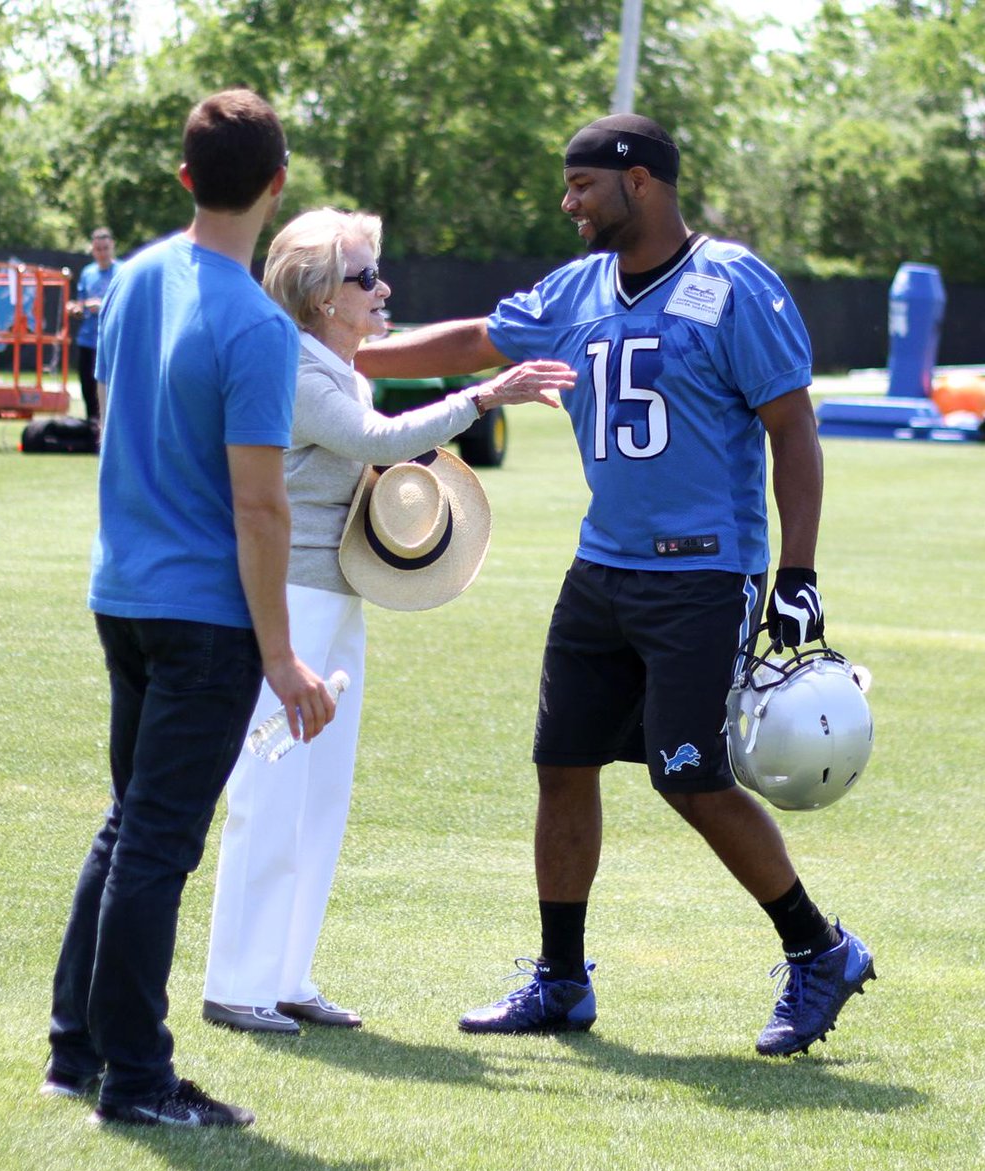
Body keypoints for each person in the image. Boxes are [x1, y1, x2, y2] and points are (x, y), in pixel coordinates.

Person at [355, 114, 875, 1057]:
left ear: (640, 182)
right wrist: (349, 356)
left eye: (582, 184)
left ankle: (821, 949)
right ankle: (561, 980)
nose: (569, 203)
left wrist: (797, 572)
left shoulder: (732, 282)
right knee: (562, 765)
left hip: (703, 574)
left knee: (692, 777)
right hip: (602, 569)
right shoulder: (580, 286)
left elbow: (793, 430)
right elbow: (477, 338)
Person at [40, 89, 337, 1129]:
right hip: (202, 618)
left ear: (184, 178)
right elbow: (260, 506)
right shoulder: (257, 326)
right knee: (158, 845)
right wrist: (283, 658)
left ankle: (75, 1053)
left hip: (121, 593)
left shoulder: (129, 280)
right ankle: (136, 1081)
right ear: (277, 185)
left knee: (129, 828)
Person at [203, 207, 575, 1034]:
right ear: (320, 296)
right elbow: (376, 440)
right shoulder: (296, 367)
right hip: (289, 603)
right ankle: (235, 983)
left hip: (334, 597)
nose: (383, 287)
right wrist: (485, 394)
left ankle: (287, 976)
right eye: (365, 275)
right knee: (271, 787)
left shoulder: (339, 367)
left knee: (320, 795)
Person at [67, 227, 118, 426]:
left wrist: (103, 305)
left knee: (110, 388)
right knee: (88, 387)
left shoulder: (122, 271)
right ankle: (92, 428)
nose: (102, 253)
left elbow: (127, 303)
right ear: (92, 250)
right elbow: (81, 302)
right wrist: (75, 308)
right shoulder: (88, 273)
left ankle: (110, 427)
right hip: (88, 339)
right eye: (98, 249)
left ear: (112, 246)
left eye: (105, 248)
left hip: (111, 340)